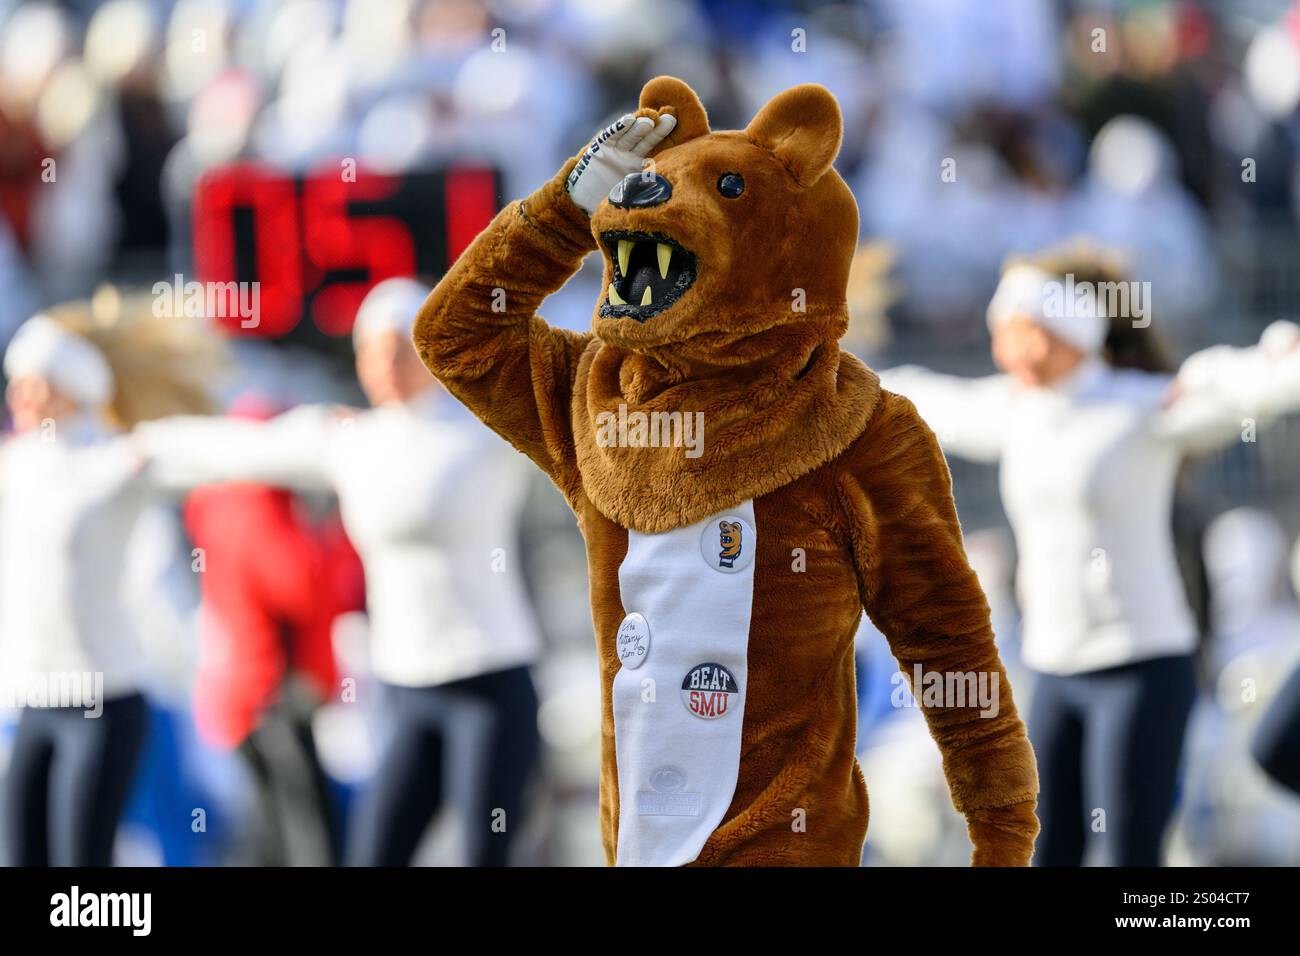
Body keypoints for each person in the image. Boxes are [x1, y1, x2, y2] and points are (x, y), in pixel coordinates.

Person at [880, 243, 1300, 866]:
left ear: (1066, 330)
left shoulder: (1137, 405)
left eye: (1023, 334)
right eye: (1004, 337)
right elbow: (928, 400)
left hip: (1142, 667)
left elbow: (1226, 387)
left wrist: (1278, 360)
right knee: (1047, 849)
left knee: (1130, 856)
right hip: (1054, 668)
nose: (1009, 353)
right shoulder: (1018, 411)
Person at [138, 279, 544, 866]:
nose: (386, 365)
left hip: (490, 684)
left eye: (400, 347)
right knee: (374, 852)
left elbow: (585, 418)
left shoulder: (485, 430)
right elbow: (237, 448)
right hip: (410, 691)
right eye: (371, 350)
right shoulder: (353, 441)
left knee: (484, 853)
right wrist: (136, 445)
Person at [0, 289, 223, 866]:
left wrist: (325, 437)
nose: (21, 397)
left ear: (73, 390)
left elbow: (208, 450)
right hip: (34, 701)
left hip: (105, 699)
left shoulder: (116, 462)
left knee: (83, 868)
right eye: (15, 382)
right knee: (20, 852)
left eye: (37, 382)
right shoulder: (14, 467)